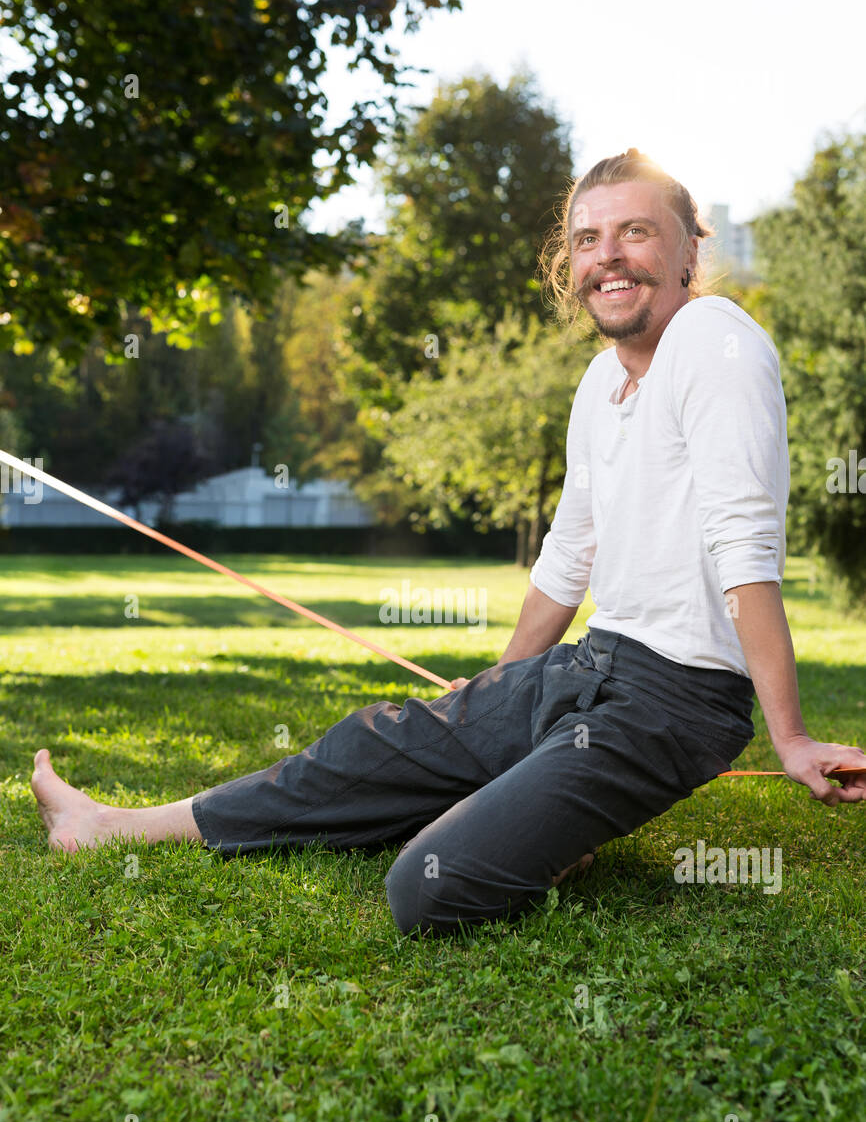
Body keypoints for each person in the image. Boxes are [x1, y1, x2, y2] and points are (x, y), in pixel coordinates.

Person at [31, 148, 866, 936]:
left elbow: (742, 543)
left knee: (429, 882)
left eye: (636, 232)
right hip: (587, 666)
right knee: (365, 745)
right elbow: (569, 554)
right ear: (569, 264)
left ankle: (539, 827)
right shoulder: (602, 379)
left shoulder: (713, 339)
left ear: (690, 250)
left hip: (673, 703)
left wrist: (788, 738)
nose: (608, 257)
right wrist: (501, 691)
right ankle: (111, 826)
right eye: (587, 238)